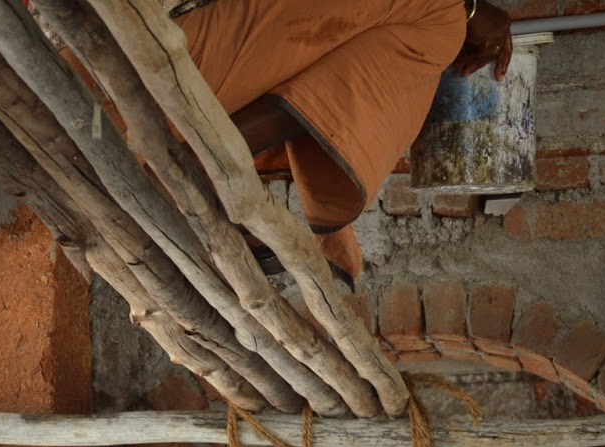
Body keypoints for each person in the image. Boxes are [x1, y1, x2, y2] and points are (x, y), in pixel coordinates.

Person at [177, 0, 515, 281]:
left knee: (429, 19)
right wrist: (469, 9)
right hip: (163, 52)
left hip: (179, 71)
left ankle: (201, 154)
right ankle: (196, 156)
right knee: (440, 16)